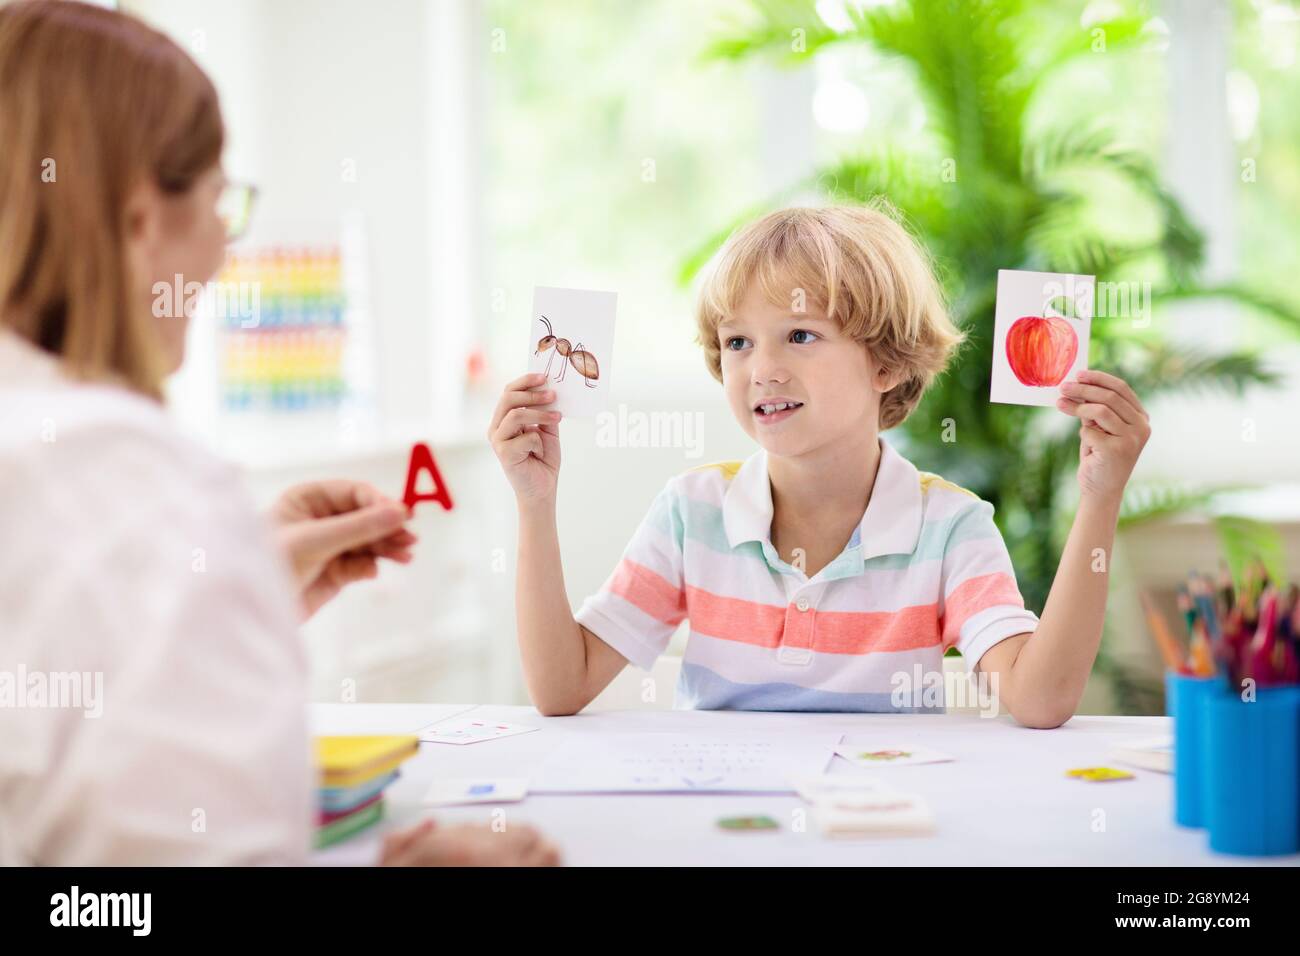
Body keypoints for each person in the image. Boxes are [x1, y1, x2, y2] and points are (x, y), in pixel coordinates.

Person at [0, 0, 558, 867]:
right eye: (221, 206)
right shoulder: (131, 475)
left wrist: (232, 586)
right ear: (142, 220)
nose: (226, 255)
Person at [490, 204, 1150, 725]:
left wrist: (1100, 498)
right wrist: (533, 503)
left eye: (800, 336)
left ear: (886, 364)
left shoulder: (951, 527)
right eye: (738, 342)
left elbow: (1040, 700)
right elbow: (559, 687)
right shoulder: (691, 513)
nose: (762, 370)